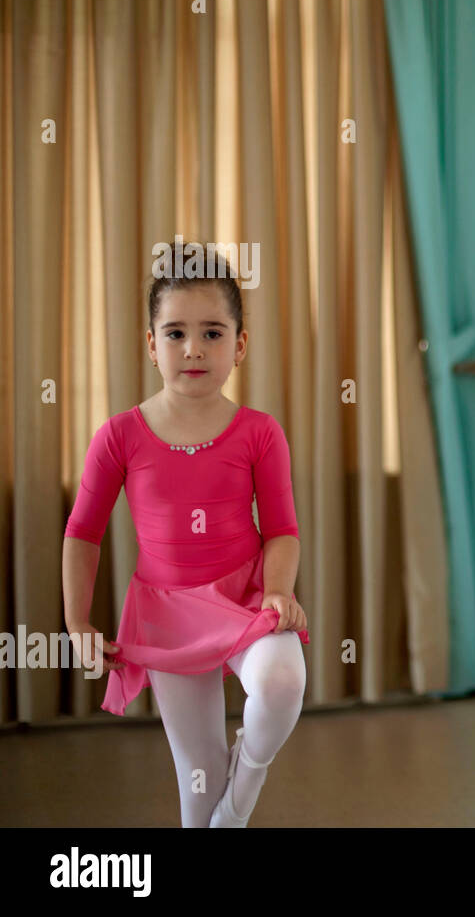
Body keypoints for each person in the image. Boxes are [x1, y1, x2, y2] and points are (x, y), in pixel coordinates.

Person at [63, 241, 309, 827]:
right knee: (198, 784)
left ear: (239, 345)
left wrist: (277, 590)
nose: (193, 349)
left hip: (247, 600)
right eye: (175, 333)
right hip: (167, 615)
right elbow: (82, 533)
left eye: (213, 333)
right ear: (151, 345)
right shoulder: (119, 435)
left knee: (279, 681)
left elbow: (282, 530)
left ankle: (244, 787)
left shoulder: (260, 432)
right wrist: (76, 622)